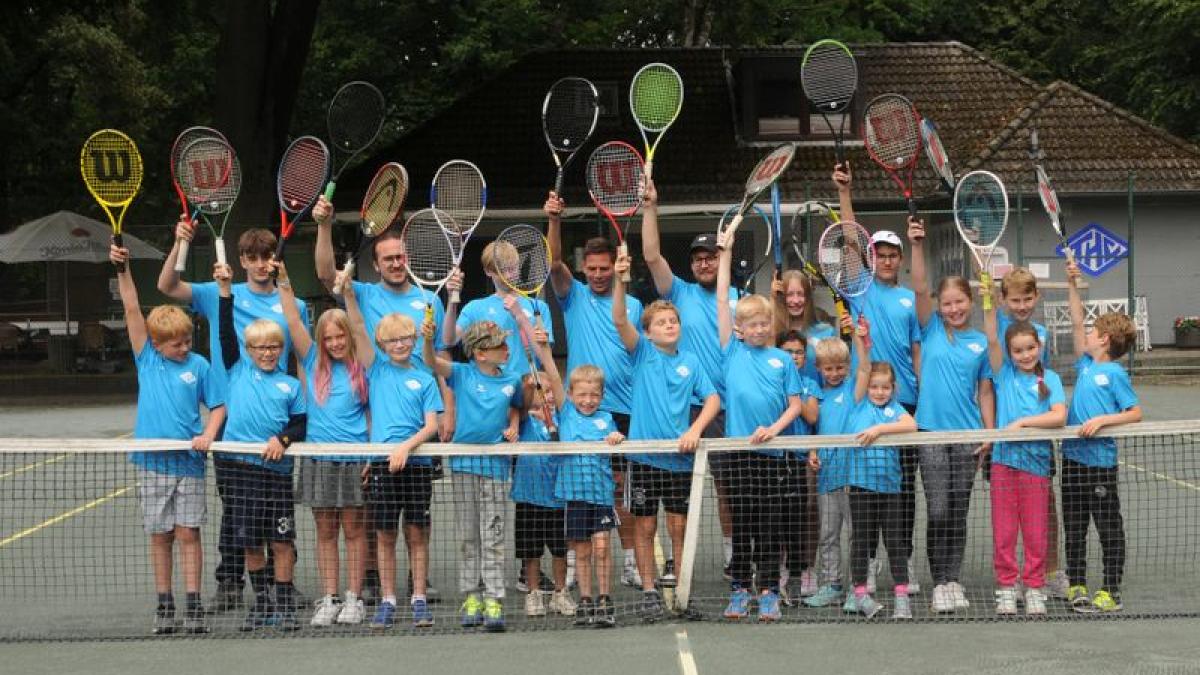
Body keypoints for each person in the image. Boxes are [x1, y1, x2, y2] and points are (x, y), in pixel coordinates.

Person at [158, 220, 310, 611]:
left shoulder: (296, 304)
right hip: (229, 417)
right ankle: (230, 580)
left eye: (267, 257)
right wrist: (181, 243)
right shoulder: (217, 293)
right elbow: (168, 287)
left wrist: (307, 412)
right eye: (253, 257)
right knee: (236, 505)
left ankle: (283, 586)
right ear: (241, 260)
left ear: (276, 260)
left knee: (278, 506)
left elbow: (303, 358)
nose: (261, 264)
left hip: (277, 418)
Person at [313, 196, 455, 602]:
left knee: (416, 514)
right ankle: (378, 581)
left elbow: (441, 359)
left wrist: (447, 411)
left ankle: (418, 582)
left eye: (400, 256)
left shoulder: (430, 299)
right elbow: (326, 274)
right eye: (388, 258)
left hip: (422, 414)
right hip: (376, 415)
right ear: (376, 264)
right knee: (380, 511)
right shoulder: (364, 294)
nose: (395, 262)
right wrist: (323, 225)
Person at [111, 243, 225, 635]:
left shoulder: (200, 365)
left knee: (188, 534)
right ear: (157, 344)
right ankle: (165, 605)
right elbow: (131, 309)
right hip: (153, 463)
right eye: (176, 343)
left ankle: (194, 605)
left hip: (189, 464)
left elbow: (219, 407)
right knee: (161, 537)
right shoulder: (148, 359)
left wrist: (208, 434)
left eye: (187, 341)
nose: (184, 347)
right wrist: (122, 270)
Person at [611, 252, 720, 622]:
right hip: (644, 459)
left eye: (673, 320)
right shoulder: (641, 353)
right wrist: (620, 280)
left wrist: (695, 429)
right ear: (648, 331)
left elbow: (714, 399)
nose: (670, 325)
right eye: (661, 321)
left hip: (680, 459)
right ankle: (648, 591)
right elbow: (620, 318)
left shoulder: (691, 361)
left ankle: (682, 590)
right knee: (644, 525)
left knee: (679, 526)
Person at [545, 191, 644, 590]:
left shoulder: (632, 304)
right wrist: (554, 219)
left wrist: (624, 281)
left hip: (623, 411)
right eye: (593, 268)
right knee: (577, 489)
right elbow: (552, 262)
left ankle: (631, 564)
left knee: (621, 493)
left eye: (605, 268)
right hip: (579, 411)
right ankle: (574, 564)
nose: (599, 274)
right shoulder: (573, 297)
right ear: (583, 269)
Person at [640, 177, 738, 575]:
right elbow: (650, 255)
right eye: (697, 257)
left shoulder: (734, 296)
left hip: (728, 408)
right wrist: (650, 207)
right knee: (683, 489)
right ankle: (673, 567)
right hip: (687, 407)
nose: (703, 262)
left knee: (727, 489)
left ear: (720, 259)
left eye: (710, 256)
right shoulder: (677, 291)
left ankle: (735, 555)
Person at [834, 162, 922, 595]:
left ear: (900, 260)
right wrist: (845, 194)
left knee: (903, 494)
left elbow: (917, 350)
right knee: (865, 494)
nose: (886, 260)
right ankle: (864, 567)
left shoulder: (908, 299)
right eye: (880, 254)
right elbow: (850, 239)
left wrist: (920, 394)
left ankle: (902, 566)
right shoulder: (859, 287)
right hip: (866, 403)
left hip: (903, 405)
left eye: (892, 254)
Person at [341, 273, 442, 629]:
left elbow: (432, 426)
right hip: (385, 465)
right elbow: (355, 325)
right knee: (384, 535)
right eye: (393, 340)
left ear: (415, 339)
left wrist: (405, 448)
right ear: (383, 344)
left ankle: (418, 598)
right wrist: (348, 294)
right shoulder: (377, 369)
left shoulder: (426, 378)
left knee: (417, 533)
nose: (400, 344)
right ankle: (387, 599)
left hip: (415, 464)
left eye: (405, 339)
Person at [274, 261, 370, 627]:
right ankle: (329, 597)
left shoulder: (364, 365)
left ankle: (353, 598)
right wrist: (283, 280)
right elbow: (292, 320)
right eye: (327, 338)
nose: (334, 343)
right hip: (318, 460)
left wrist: (371, 456)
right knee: (325, 531)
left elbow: (373, 415)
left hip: (355, 458)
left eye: (339, 336)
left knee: (355, 530)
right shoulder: (311, 359)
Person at [716, 227, 804, 622]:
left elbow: (796, 406)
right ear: (740, 328)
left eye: (764, 324)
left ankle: (769, 591)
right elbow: (722, 299)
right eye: (750, 325)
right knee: (743, 525)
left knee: (770, 526)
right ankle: (739, 591)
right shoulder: (731, 351)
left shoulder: (783, 361)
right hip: (737, 454)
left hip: (772, 454)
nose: (758, 329)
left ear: (771, 324)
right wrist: (726, 253)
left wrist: (774, 429)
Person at [908, 216, 995, 613]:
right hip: (929, 434)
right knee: (938, 507)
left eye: (960, 301)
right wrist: (917, 245)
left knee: (958, 510)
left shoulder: (980, 343)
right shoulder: (928, 330)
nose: (954, 307)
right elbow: (920, 286)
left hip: (967, 437)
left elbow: (985, 390)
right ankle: (938, 578)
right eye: (948, 303)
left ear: (970, 303)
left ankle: (952, 580)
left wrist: (990, 435)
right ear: (939, 307)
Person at [215, 263, 307, 631]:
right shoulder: (236, 369)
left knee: (281, 542)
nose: (268, 353)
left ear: (281, 349)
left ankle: (284, 604)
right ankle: (262, 604)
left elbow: (300, 424)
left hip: (277, 474)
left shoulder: (291, 385)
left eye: (273, 347)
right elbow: (224, 333)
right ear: (249, 349)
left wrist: (281, 439)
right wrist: (225, 292)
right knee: (251, 544)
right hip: (240, 470)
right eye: (260, 347)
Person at [425, 310, 524, 632]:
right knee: (469, 537)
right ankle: (472, 597)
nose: (506, 350)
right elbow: (431, 363)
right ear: (481, 353)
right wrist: (428, 340)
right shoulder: (462, 373)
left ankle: (494, 600)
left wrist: (513, 424)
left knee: (493, 537)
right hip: (464, 466)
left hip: (496, 468)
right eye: (499, 346)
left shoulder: (512, 380)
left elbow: (520, 406)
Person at [1061, 260, 1142, 613]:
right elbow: (1077, 322)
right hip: (1072, 459)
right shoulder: (1086, 365)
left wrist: (1103, 421)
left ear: (1105, 339)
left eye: (1095, 333)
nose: (1088, 335)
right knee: (1074, 526)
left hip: (1100, 465)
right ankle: (1077, 583)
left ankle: (1111, 589)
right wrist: (1073, 283)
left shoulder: (1114, 373)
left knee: (1108, 527)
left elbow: (1135, 413)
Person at [981, 288, 1067, 616]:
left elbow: (1058, 415)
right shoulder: (1003, 376)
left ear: (1040, 347)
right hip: (1004, 464)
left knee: (1035, 531)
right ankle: (1007, 586)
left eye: (1030, 348)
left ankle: (1033, 586)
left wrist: (1022, 423)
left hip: (1036, 466)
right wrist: (988, 300)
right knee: (1004, 531)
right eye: (1018, 351)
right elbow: (991, 338)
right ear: (1009, 353)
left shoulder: (1052, 379)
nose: (1026, 355)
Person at [844, 352, 918, 620]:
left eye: (885, 387)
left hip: (890, 490)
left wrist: (879, 430)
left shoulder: (895, 410)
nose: (879, 392)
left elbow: (912, 424)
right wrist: (862, 342)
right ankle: (861, 595)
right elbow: (862, 366)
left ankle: (901, 597)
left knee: (895, 543)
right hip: (862, 488)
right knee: (861, 542)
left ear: (893, 388)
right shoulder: (857, 405)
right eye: (874, 386)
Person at [511, 368, 576, 618]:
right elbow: (524, 400)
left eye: (550, 391)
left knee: (560, 550)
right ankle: (534, 594)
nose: (547, 396)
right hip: (529, 498)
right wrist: (529, 386)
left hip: (558, 498)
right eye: (542, 391)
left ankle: (560, 594)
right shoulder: (524, 420)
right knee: (530, 552)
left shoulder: (563, 419)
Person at [450, 240, 555, 378]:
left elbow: (544, 358)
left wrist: (521, 317)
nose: (508, 276)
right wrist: (452, 299)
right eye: (502, 270)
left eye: (512, 268)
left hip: (528, 386)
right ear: (488, 271)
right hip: (488, 389)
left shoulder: (538, 307)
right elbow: (450, 340)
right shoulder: (474, 308)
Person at [803, 336, 855, 609]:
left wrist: (858, 334)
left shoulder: (855, 391)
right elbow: (815, 432)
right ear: (819, 367)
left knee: (855, 534)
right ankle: (831, 585)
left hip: (853, 477)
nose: (835, 374)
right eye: (828, 368)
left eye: (840, 367)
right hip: (826, 478)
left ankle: (859, 588)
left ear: (848, 366)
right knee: (828, 535)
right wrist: (812, 452)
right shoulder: (817, 396)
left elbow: (866, 366)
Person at [776, 330, 820, 604]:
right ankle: (778, 570)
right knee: (777, 517)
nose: (794, 357)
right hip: (776, 457)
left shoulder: (809, 385)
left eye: (799, 352)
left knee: (804, 514)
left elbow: (812, 414)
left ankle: (803, 568)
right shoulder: (769, 377)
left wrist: (793, 392)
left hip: (802, 457)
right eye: (788, 352)